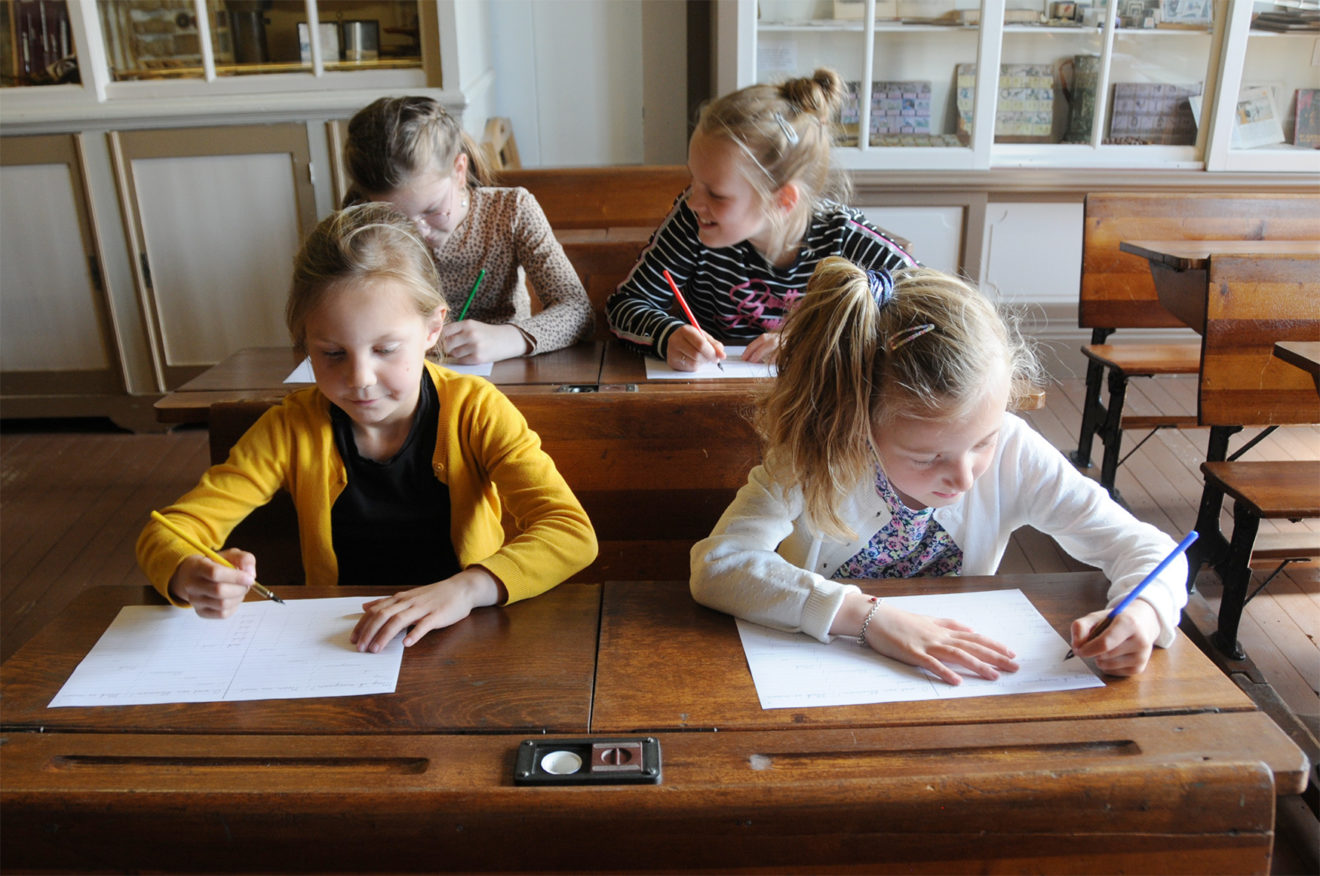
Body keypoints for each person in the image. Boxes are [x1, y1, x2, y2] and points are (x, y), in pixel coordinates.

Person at [690, 257, 1188, 683]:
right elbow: (719, 565)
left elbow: (1149, 548)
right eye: (928, 458)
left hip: (952, 683)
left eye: (983, 442)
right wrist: (866, 618)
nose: (966, 477)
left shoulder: (1014, 451)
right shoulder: (817, 454)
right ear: (860, 423)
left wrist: (1143, 612)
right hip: (819, 676)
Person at [137, 204, 598, 653]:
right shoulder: (290, 428)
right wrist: (188, 572)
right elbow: (168, 533)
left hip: (468, 637)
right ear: (304, 343)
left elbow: (569, 532)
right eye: (332, 353)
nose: (359, 378)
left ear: (433, 328)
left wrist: (466, 589)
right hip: (345, 644)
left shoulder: (475, 411)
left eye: (386, 349)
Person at [606, 68, 917, 372]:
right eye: (694, 180)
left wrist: (813, 341)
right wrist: (668, 336)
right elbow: (625, 306)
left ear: (782, 201)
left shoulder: (845, 238)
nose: (693, 201)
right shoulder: (693, 222)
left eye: (716, 194)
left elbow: (934, 316)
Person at [343, 96, 594, 363]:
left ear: (459, 170)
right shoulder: (364, 224)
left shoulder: (511, 211)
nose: (419, 231)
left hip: (508, 377)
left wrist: (509, 338)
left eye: (432, 210)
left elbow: (578, 311)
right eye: (397, 218)